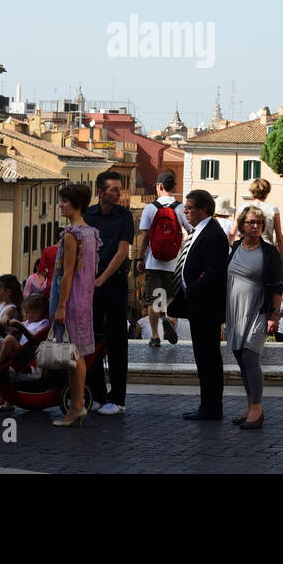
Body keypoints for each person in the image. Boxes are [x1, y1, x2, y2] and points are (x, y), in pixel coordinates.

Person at [226, 206, 283, 429]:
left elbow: (277, 286)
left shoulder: (270, 253)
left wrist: (274, 316)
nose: (256, 226)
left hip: (258, 311)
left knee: (250, 358)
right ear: (242, 225)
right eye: (251, 222)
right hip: (235, 311)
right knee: (241, 359)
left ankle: (257, 409)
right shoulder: (237, 246)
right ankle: (250, 407)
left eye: (259, 222)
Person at [49, 182, 99, 427]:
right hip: (84, 300)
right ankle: (75, 406)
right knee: (75, 355)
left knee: (74, 356)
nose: (60, 204)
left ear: (76, 204)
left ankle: (76, 407)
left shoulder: (71, 235)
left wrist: (60, 306)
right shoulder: (90, 232)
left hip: (70, 300)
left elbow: (67, 274)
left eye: (65, 201)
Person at [85, 170, 134, 415]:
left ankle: (118, 399)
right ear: (101, 192)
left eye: (119, 189)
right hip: (90, 286)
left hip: (113, 286)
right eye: (114, 189)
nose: (119, 193)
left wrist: (100, 280)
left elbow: (123, 252)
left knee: (116, 342)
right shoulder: (88, 215)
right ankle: (96, 395)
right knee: (91, 340)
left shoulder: (125, 216)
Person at [179, 189, 228, 420]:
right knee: (203, 356)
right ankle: (207, 405)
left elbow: (214, 272)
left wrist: (190, 289)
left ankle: (211, 407)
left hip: (206, 305)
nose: (185, 212)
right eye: (185, 208)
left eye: (189, 208)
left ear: (204, 210)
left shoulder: (213, 234)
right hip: (198, 304)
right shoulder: (201, 231)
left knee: (208, 357)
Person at [135, 171, 188, 347]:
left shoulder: (151, 208)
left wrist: (140, 259)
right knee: (172, 295)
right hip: (175, 262)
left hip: (153, 261)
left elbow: (145, 237)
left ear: (159, 186)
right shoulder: (181, 208)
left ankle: (156, 336)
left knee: (153, 298)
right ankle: (166, 316)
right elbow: (191, 230)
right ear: (173, 187)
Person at [247, 178, 283, 251]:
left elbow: (234, 232)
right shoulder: (273, 209)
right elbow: (279, 237)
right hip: (266, 249)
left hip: (247, 248)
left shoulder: (243, 208)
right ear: (267, 192)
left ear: (252, 191)